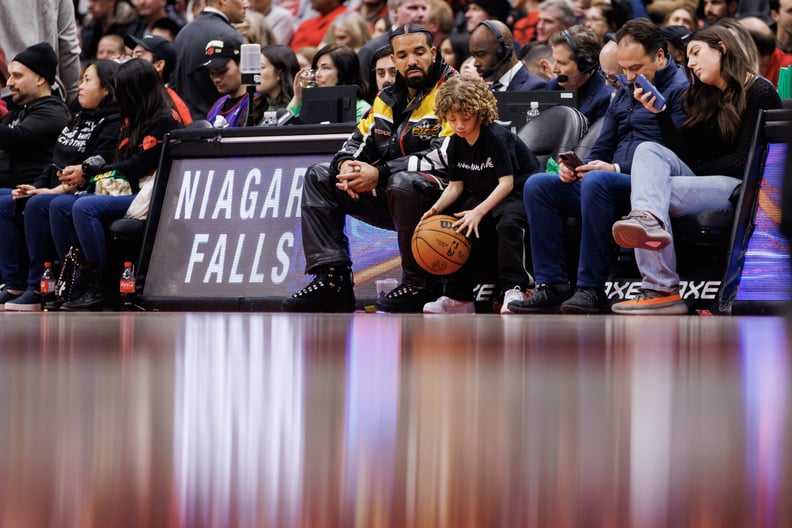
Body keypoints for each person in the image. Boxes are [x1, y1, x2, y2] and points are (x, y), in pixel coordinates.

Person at [507, 19, 690, 315]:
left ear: (659, 56)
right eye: (624, 69)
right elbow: (604, 144)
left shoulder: (681, 91)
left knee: (597, 182)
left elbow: (679, 154)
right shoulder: (626, 89)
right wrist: (581, 168)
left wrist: (613, 169)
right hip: (608, 178)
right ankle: (552, 283)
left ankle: (591, 288)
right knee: (539, 185)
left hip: (651, 184)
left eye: (635, 68)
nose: (628, 77)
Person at [282, 24, 455, 313]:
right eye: (403, 55)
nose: (411, 61)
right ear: (395, 59)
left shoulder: (454, 90)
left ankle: (420, 283)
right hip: (394, 191)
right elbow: (357, 141)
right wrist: (346, 166)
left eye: (419, 52)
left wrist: (380, 173)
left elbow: (446, 156)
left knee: (403, 182)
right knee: (320, 176)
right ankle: (333, 281)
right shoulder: (387, 97)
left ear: (433, 53)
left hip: (446, 196)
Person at [610, 24, 783, 314]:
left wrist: (698, 168)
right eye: (688, 56)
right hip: (703, 182)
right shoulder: (703, 95)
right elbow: (685, 155)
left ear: (721, 48)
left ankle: (660, 288)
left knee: (651, 192)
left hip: (739, 187)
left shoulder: (759, 90)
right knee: (647, 150)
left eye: (696, 53)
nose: (689, 63)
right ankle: (648, 223)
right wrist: (661, 114)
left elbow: (744, 162)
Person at [49, 59, 182, 311]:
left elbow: (139, 165)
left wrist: (93, 171)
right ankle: (75, 280)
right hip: (124, 189)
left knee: (84, 207)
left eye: (122, 89)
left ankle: (99, 286)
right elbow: (117, 159)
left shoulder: (165, 120)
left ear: (136, 89)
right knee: (59, 205)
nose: (117, 95)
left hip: (149, 194)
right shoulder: (131, 116)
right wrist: (88, 168)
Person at [1, 61, 122, 311]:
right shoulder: (77, 116)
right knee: (17, 199)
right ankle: (15, 283)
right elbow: (54, 162)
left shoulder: (111, 122)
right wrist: (35, 186)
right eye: (81, 79)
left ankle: (42, 286)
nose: (80, 86)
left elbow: (92, 170)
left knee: (42, 204)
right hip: (55, 188)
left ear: (106, 89)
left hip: (86, 190)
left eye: (87, 80)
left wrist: (48, 191)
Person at [418, 76, 539, 314]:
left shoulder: (496, 138)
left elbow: (506, 184)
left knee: (508, 224)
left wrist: (478, 211)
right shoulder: (455, 142)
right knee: (454, 225)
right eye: (452, 119)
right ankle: (459, 297)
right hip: (486, 193)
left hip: (517, 192)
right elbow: (455, 186)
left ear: (480, 112)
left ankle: (515, 288)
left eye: (466, 118)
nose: (459, 125)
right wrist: (434, 210)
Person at [0, 43, 71, 190]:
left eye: (17, 76)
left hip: (26, 191)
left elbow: (18, 137)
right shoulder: (17, 113)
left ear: (40, 79)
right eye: (10, 76)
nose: (9, 83)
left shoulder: (53, 111)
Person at [171, 0, 246, 120]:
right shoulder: (229, 36)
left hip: (185, 125)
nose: (246, 4)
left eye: (221, 71)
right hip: (220, 124)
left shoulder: (182, 33)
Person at [0, 0, 81, 101]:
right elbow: (68, 44)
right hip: (46, 88)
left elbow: (68, 44)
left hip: (7, 89)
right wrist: (72, 99)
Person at [357, 0, 430, 102]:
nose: (421, 14)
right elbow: (361, 95)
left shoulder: (432, 45)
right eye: (413, 8)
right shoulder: (371, 49)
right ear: (395, 12)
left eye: (424, 8)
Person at [545, 26, 614, 124]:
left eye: (562, 63)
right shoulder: (553, 87)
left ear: (585, 65)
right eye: (554, 61)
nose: (554, 69)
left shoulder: (604, 98)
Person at [287, 44, 371, 122]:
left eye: (325, 68)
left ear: (344, 71)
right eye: (316, 68)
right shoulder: (311, 105)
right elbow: (284, 126)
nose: (317, 74)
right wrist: (297, 97)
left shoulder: (362, 109)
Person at [124, 34, 194, 125]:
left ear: (159, 65)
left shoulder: (173, 104)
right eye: (132, 56)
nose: (131, 62)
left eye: (139, 56)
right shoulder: (130, 95)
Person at [468, 20, 546, 91]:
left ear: (503, 52)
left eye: (481, 54)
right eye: (474, 56)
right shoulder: (487, 90)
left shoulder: (535, 87)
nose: (475, 63)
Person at [200, 38, 252, 128]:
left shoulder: (255, 102)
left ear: (241, 65)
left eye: (222, 71)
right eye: (211, 73)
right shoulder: (218, 105)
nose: (216, 79)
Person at [251, 45, 300, 125]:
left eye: (261, 67)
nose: (256, 73)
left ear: (279, 74)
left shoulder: (298, 107)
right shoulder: (255, 106)